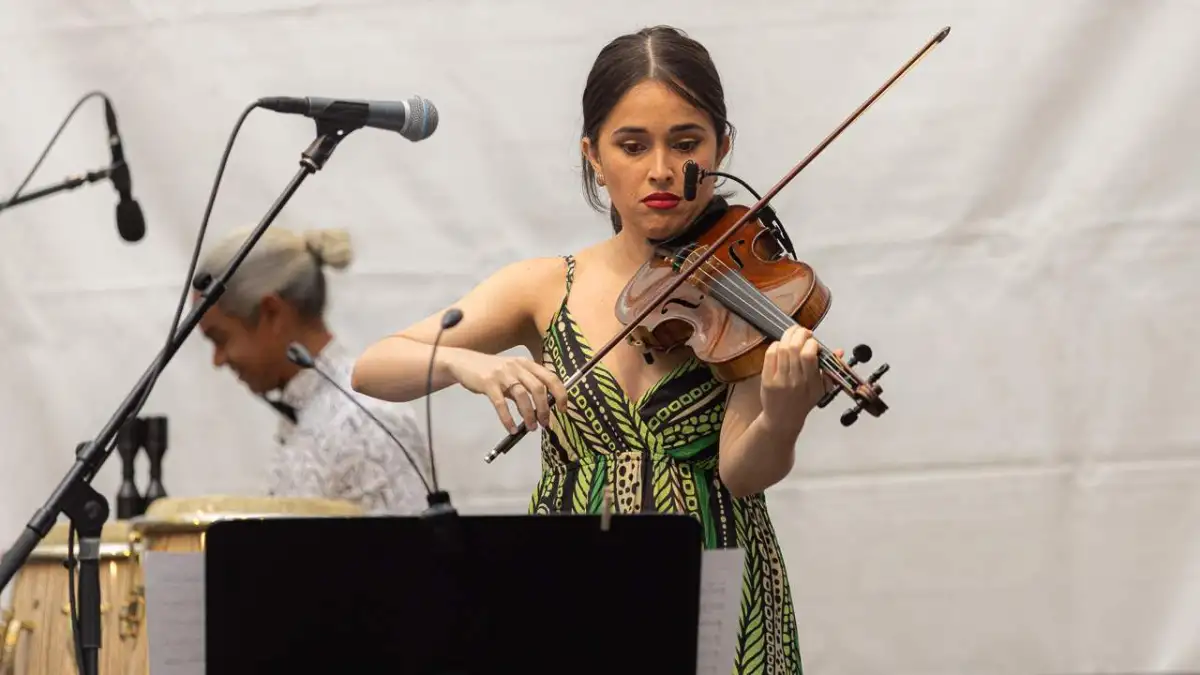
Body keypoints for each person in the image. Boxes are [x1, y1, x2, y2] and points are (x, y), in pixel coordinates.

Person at [352, 25, 835, 674]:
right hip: (566, 578)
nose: (660, 169)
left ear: (723, 146)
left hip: (712, 573)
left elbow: (741, 471)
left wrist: (782, 415)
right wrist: (468, 362)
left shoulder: (750, 288)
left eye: (686, 142)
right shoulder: (545, 285)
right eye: (632, 145)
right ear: (593, 155)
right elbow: (372, 366)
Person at [194, 226, 431, 516]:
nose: (218, 360)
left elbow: (411, 557)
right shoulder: (311, 410)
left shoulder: (367, 419)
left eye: (220, 339)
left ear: (272, 313)